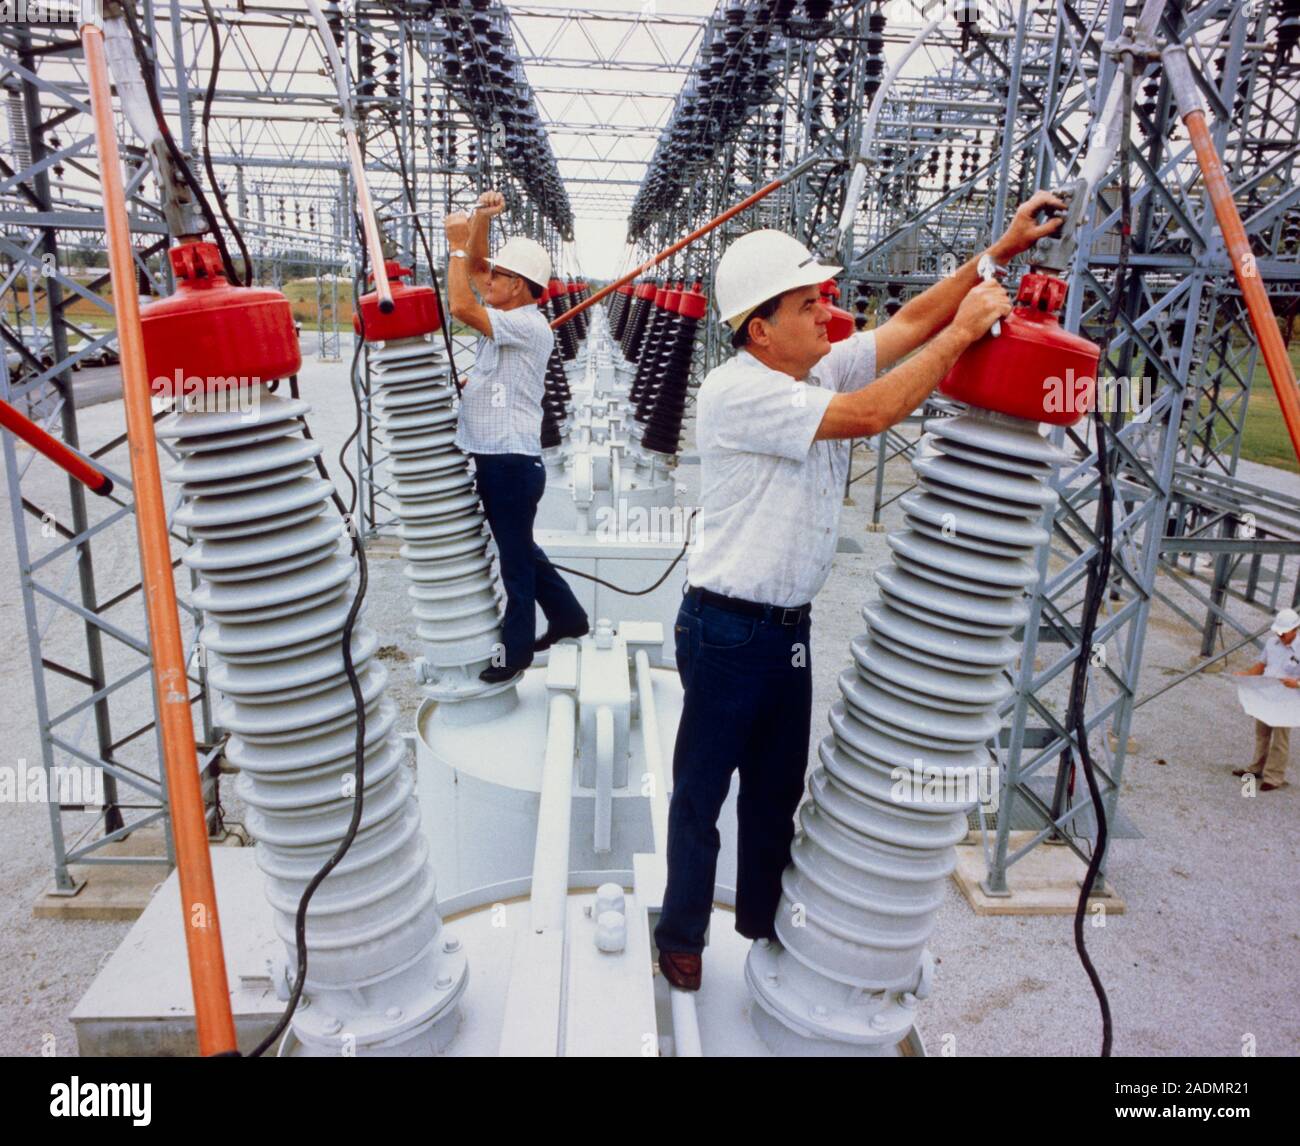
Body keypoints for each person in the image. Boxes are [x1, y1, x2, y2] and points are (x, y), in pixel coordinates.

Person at [652, 191, 1068, 991]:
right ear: (759, 328)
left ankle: (763, 927)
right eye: (810, 303)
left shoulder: (812, 365)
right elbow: (877, 412)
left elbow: (909, 323)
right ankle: (682, 936)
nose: (829, 311)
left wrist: (1000, 253)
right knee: (701, 795)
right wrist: (966, 331)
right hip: (727, 630)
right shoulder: (739, 391)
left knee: (776, 794)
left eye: (826, 297)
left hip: (786, 630)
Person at [443, 190, 589, 686]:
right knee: (521, 547)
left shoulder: (525, 326)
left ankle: (516, 653)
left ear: (524, 289)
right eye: (491, 273)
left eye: (500, 277)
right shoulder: (512, 319)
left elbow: (461, 303)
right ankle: (569, 617)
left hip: (508, 464)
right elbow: (481, 264)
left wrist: (457, 248)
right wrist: (481, 220)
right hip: (502, 460)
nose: (488, 279)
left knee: (515, 565)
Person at [1232, 606, 1300, 791]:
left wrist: (1297, 684)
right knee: (1262, 734)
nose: (1280, 636)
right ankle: (1255, 769)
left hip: (1288, 700)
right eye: (1278, 632)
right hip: (1268, 695)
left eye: (1284, 633)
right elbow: (1261, 666)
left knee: (1280, 740)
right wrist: (1245, 675)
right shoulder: (1271, 644)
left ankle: (1274, 776)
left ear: (1296, 630)